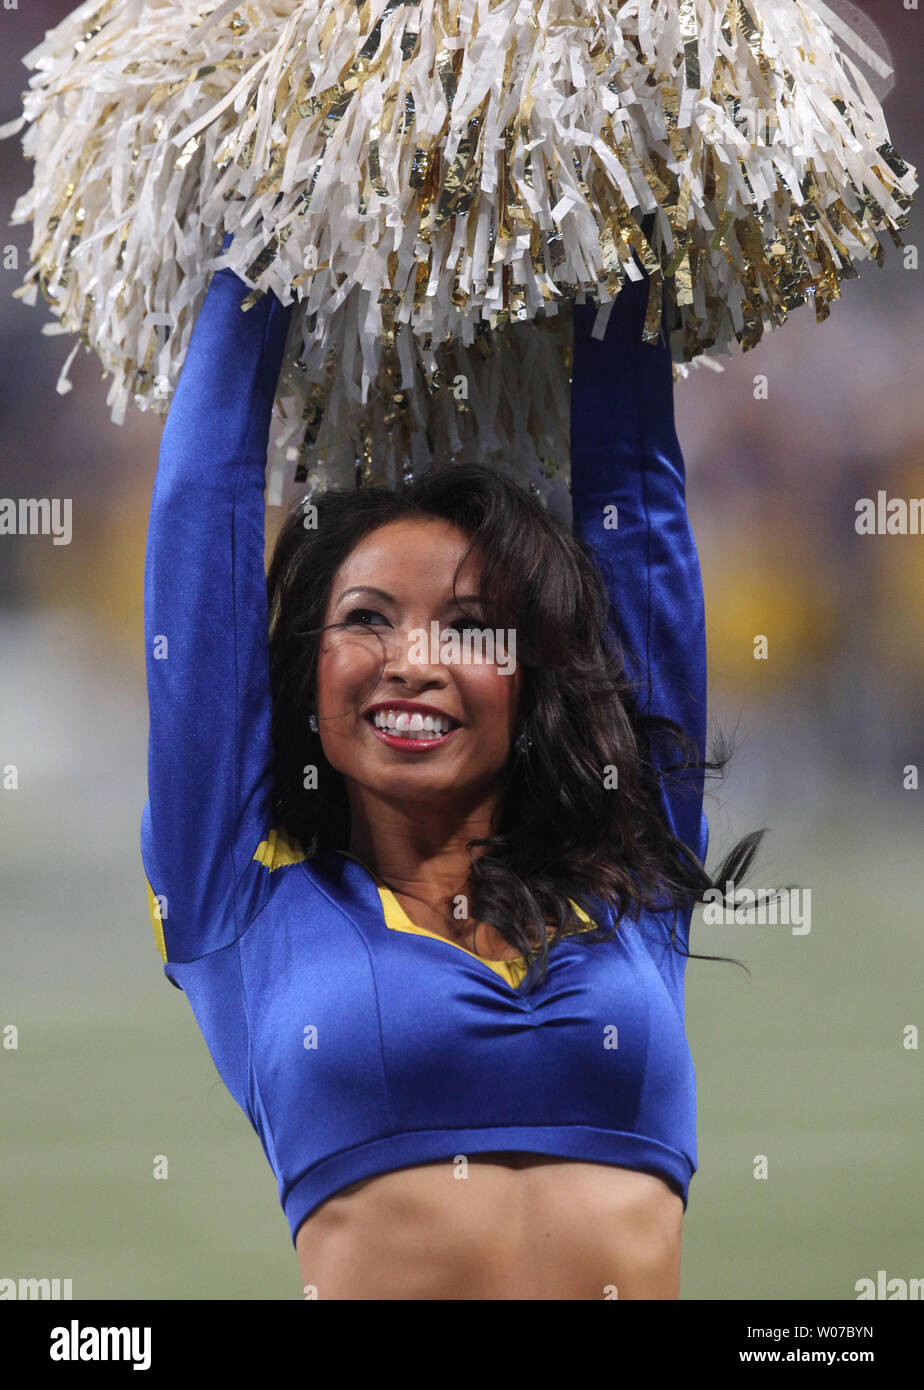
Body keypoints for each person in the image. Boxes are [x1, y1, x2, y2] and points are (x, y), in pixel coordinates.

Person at [141, 249, 757, 1300]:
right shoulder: (244, 911)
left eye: (471, 628)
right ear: (308, 681)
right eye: (367, 619)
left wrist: (619, 223)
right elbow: (202, 518)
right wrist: (268, 236)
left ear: (532, 683)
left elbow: (638, 514)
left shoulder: (630, 874)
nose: (415, 661)